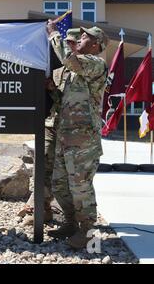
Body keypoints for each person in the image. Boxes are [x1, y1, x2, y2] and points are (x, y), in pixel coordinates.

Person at [46, 21, 109, 249]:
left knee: (80, 186)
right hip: (66, 138)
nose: (79, 40)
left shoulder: (96, 64)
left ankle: (88, 232)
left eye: (84, 38)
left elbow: (69, 60)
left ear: (95, 45)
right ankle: (71, 223)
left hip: (84, 143)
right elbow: (65, 100)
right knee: (59, 184)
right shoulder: (74, 71)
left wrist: (54, 35)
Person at [18, 29, 81, 226]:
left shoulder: (86, 67)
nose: (69, 45)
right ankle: (40, 207)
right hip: (53, 124)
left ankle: (76, 219)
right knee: (43, 162)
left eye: (73, 43)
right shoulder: (57, 71)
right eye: (67, 42)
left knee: (70, 172)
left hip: (75, 129)